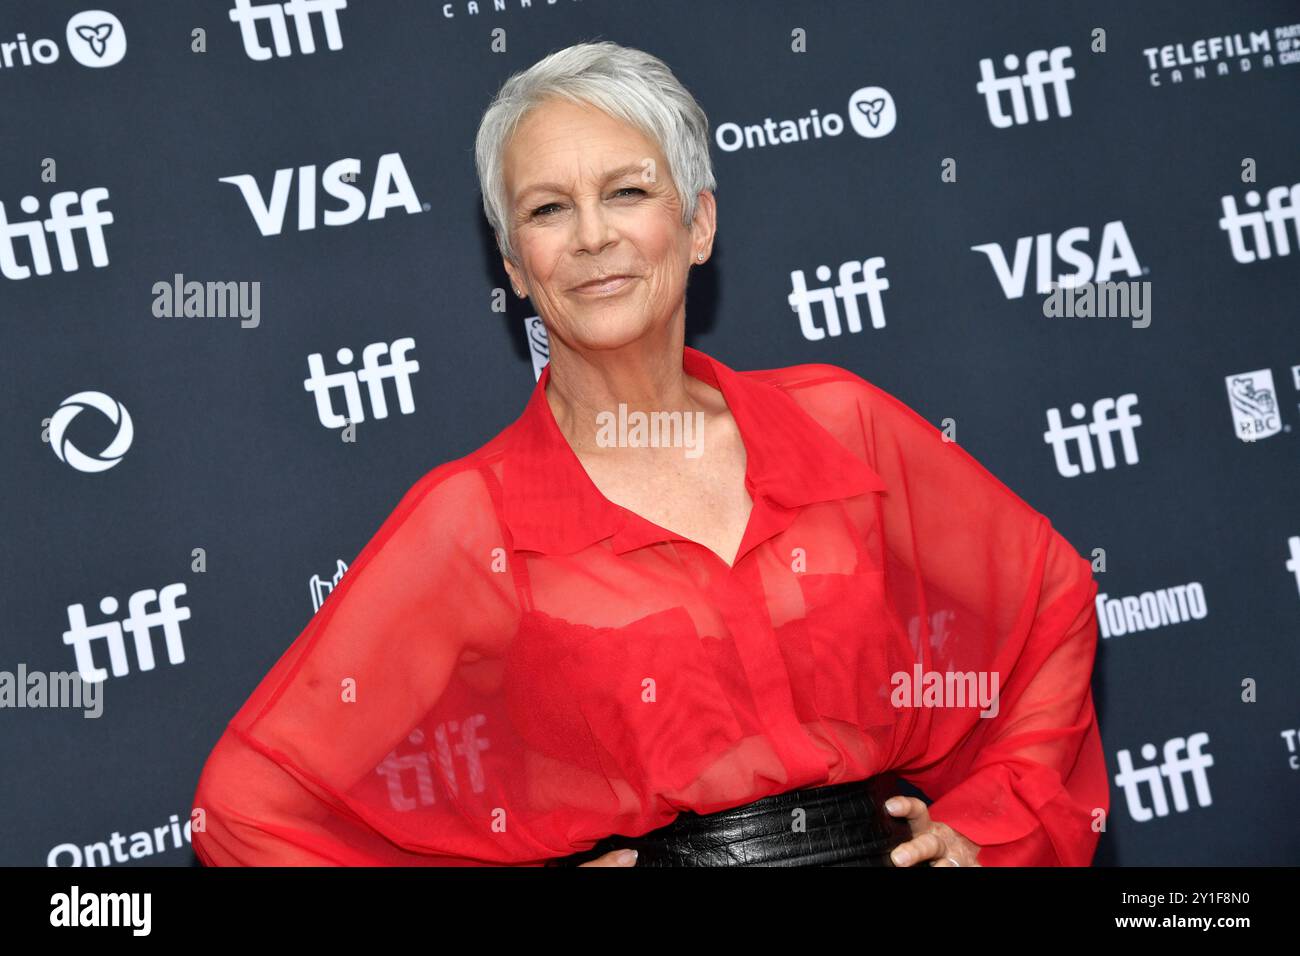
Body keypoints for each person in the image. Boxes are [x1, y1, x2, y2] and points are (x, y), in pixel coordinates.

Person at [190, 40, 1107, 867]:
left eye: (627, 192)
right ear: (514, 265)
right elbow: (252, 808)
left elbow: (1047, 605)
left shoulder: (841, 425)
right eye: (549, 209)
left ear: (699, 223)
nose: (592, 236)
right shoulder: (473, 519)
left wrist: (992, 831)